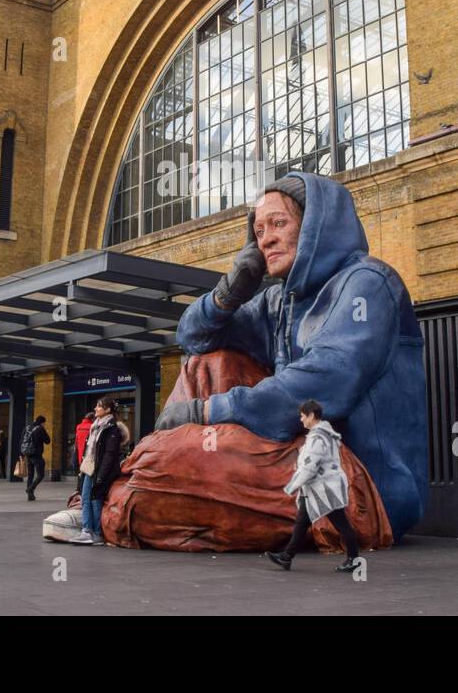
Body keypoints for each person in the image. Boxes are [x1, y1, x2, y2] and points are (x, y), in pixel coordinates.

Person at [147, 172, 428, 544]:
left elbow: (327, 379)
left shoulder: (369, 283)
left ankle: (109, 501)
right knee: (210, 363)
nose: (267, 239)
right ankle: (119, 489)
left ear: (315, 225)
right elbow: (193, 338)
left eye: (279, 223)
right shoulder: (279, 302)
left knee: (180, 466)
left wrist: (209, 413)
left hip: (361, 485)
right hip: (296, 455)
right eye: (259, 231)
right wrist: (227, 294)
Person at [266, 399, 361, 572]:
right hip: (321, 488)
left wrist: (291, 486)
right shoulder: (325, 434)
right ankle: (286, 557)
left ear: (311, 415)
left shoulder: (318, 437)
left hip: (324, 489)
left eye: (302, 416)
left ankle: (354, 559)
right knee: (303, 521)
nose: (301, 420)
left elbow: (310, 467)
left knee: (341, 523)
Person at [71, 398, 126, 546]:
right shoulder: (96, 426)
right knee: (86, 497)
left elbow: (109, 454)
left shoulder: (111, 429)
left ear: (108, 410)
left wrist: (101, 475)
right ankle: (89, 531)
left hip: (100, 470)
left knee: (95, 499)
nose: (95, 408)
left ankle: (94, 532)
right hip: (90, 468)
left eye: (99, 406)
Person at [20, 415, 50, 501]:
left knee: (30, 475)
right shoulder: (40, 429)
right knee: (41, 475)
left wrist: (21, 453)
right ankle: (30, 489)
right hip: (37, 455)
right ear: (42, 422)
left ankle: (30, 496)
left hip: (28, 454)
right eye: (44, 423)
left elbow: (22, 440)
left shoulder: (27, 427)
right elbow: (48, 441)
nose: (44, 425)